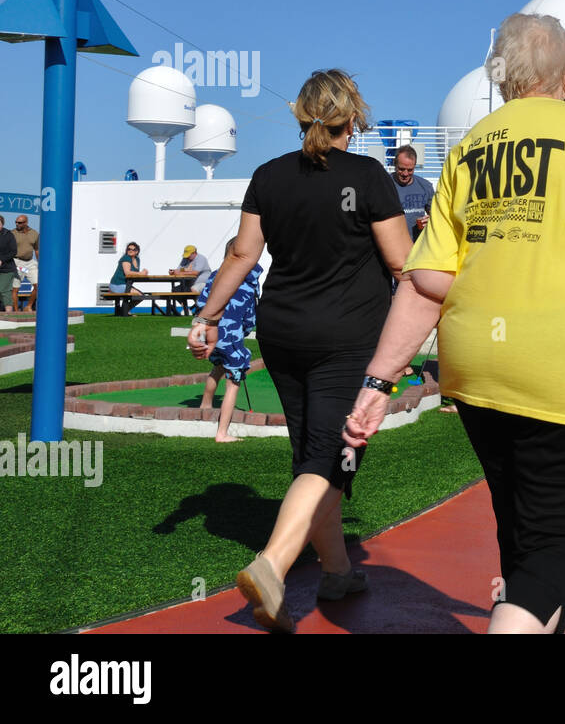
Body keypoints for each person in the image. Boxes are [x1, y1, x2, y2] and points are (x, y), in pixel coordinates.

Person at [345, 12, 565, 634]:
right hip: (563, 371)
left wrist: (378, 381)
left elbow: (426, 282)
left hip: (478, 372)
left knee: (524, 531)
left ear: (502, 79)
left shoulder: (470, 148)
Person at [188, 69, 411, 633]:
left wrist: (207, 316)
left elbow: (241, 256)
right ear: (352, 118)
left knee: (313, 454)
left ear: (300, 116)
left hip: (282, 333)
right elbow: (402, 265)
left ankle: (337, 573)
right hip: (348, 339)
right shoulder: (368, 177)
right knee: (334, 455)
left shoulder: (268, 175)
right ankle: (272, 566)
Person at [194, 238, 262, 443]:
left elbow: (201, 304)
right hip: (231, 334)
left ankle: (205, 405)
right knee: (234, 382)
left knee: (218, 366)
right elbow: (250, 315)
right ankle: (222, 432)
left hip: (210, 332)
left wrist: (200, 326)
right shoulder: (249, 283)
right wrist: (246, 328)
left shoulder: (215, 277)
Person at [391, 144, 435, 240]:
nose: (405, 174)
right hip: (393, 244)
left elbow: (435, 214)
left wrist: (431, 220)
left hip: (418, 245)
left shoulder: (426, 186)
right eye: (401, 169)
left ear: (415, 166)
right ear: (395, 164)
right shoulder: (385, 184)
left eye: (410, 170)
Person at [108, 241, 148, 315]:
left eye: (133, 249)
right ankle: (124, 311)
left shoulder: (137, 259)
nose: (130, 250)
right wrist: (141, 273)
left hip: (125, 285)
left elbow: (134, 274)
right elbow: (127, 273)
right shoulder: (126, 258)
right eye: (129, 249)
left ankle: (123, 310)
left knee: (141, 295)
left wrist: (143, 272)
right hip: (117, 284)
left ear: (137, 251)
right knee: (140, 296)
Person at [11, 215, 38, 311]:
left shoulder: (34, 233)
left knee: (38, 285)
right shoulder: (12, 233)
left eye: (20, 222)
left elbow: (37, 249)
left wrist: (40, 263)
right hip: (17, 263)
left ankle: (28, 306)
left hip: (30, 263)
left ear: (26, 223)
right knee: (15, 288)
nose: (17, 224)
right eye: (16, 222)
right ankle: (16, 311)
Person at [0, 217, 15, 313]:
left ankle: (9, 313)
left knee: (3, 290)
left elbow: (14, 251)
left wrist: (2, 260)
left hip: (7, 269)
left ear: (2, 224)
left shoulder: (8, 235)